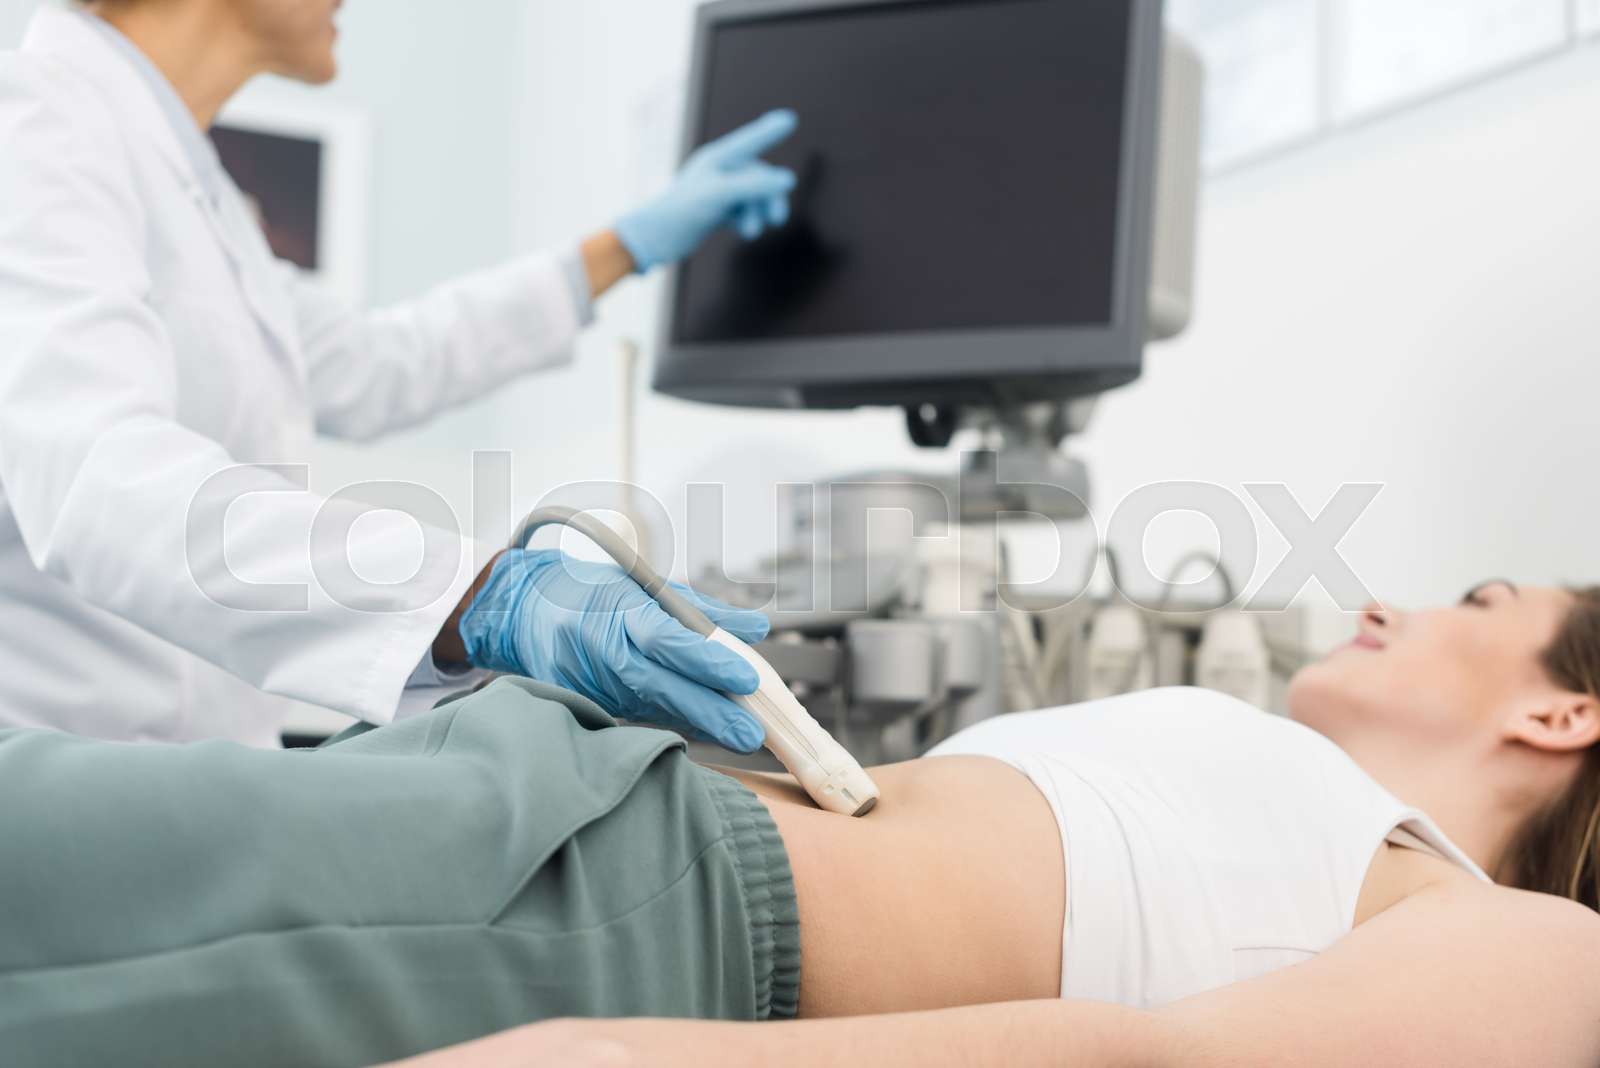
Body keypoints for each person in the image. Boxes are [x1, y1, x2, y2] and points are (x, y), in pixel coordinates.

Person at [5, 579, 1600, 1067]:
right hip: (534, 809)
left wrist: (625, 1061)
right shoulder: (1300, 781)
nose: (1396, 598)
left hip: (615, 922)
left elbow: (1156, 1066)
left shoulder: (1535, 946)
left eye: (1476, 600)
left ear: (1564, 713)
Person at [0, 0, 797, 749]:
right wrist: (473, 595)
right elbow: (93, 475)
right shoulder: (32, 120)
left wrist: (625, 244)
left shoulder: (190, 183)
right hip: (58, 802)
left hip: (178, 782)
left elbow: (379, 365)